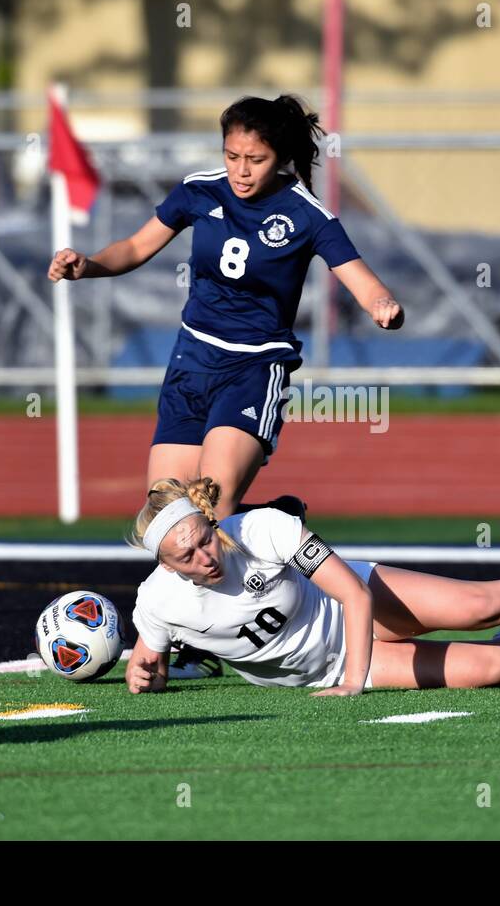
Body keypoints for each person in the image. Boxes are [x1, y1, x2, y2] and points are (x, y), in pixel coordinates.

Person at [48, 94, 405, 679]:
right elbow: (136, 247)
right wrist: (88, 264)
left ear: (281, 157)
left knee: (210, 501)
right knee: (167, 512)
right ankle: (258, 538)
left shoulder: (308, 213)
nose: (241, 170)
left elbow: (360, 279)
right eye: (232, 155)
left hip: (254, 367)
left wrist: (382, 305)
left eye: (256, 158)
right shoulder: (200, 190)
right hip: (190, 361)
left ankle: (197, 638)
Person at [123, 478, 500, 695]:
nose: (205, 555)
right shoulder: (157, 600)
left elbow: (353, 594)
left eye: (205, 537)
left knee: (482, 606)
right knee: (492, 671)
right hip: (332, 667)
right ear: (165, 565)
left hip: (359, 611)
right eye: (188, 556)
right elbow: (147, 662)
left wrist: (351, 685)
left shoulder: (263, 528)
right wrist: (142, 673)